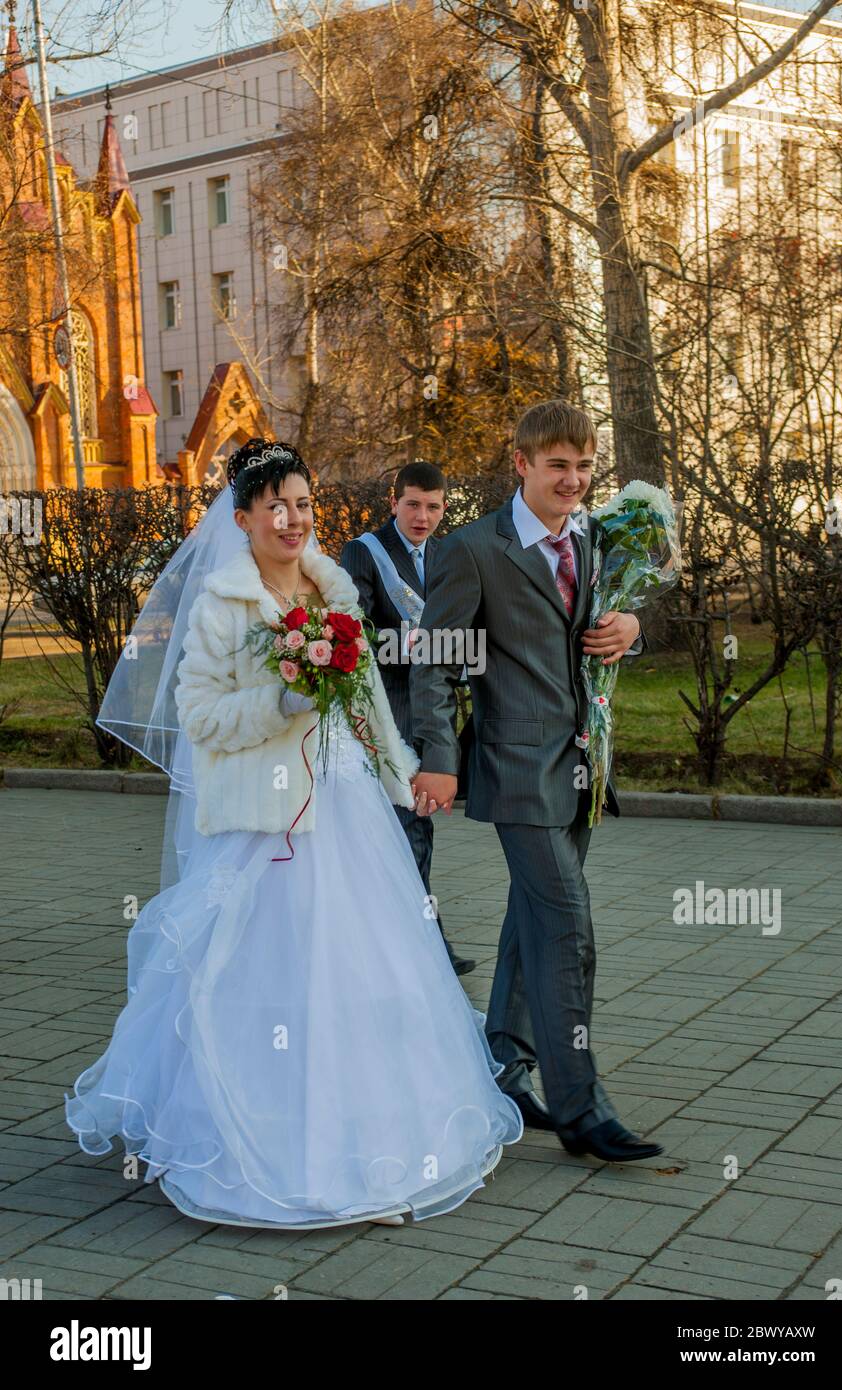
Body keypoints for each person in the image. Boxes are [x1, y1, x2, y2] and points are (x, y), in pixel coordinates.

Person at [64, 439, 522, 1230]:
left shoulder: (335, 587)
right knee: (273, 978)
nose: (292, 519)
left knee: (364, 970)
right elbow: (201, 716)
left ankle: (376, 1157)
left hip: (346, 810)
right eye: (274, 506)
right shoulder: (223, 603)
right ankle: (265, 1156)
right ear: (242, 517)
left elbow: (367, 703)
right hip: (265, 820)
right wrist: (281, 701)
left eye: (303, 504)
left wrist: (406, 776)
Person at [409, 400, 664, 1163]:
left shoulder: (595, 538)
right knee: (566, 929)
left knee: (532, 918)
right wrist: (438, 759)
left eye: (584, 466)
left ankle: (505, 1064)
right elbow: (434, 663)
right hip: (516, 767)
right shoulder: (471, 549)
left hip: (584, 766)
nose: (573, 480)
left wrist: (632, 630)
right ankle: (582, 1109)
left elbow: (607, 625)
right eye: (557, 465)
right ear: (520, 464)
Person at [340, 460, 475, 976]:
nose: (423, 516)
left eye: (433, 507)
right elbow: (350, 632)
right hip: (387, 714)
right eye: (413, 504)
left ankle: (409, 945)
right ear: (393, 502)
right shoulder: (365, 551)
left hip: (433, 715)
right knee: (407, 829)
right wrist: (407, 641)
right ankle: (426, 948)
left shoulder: (447, 553)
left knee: (417, 830)